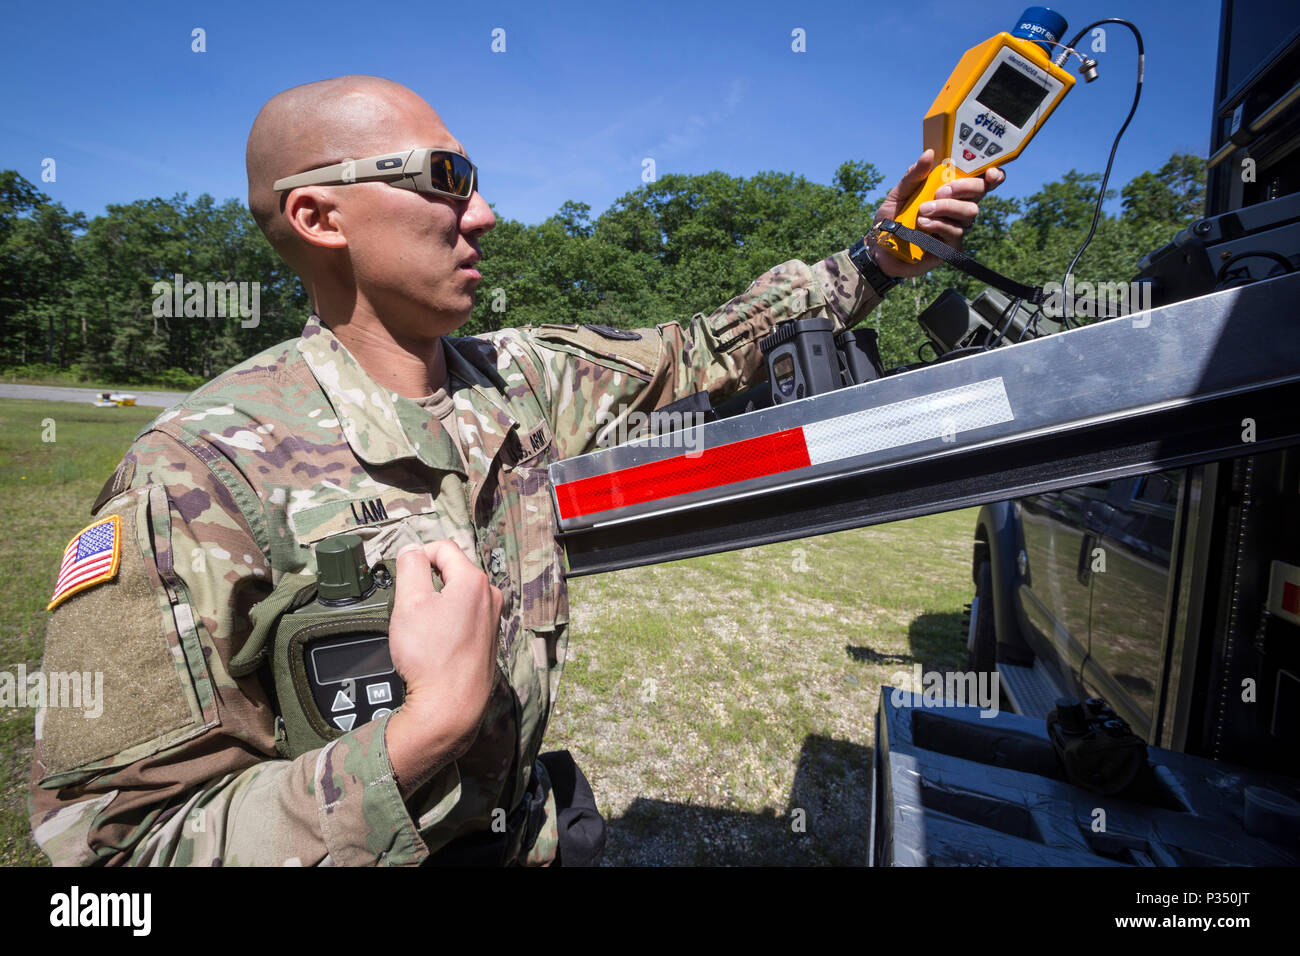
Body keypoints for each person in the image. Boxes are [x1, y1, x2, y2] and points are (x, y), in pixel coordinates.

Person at [28, 75, 1003, 866]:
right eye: (446, 176)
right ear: (321, 215)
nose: (484, 212)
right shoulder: (194, 474)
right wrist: (422, 733)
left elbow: (705, 345)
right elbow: (118, 861)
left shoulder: (522, 379)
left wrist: (881, 252)